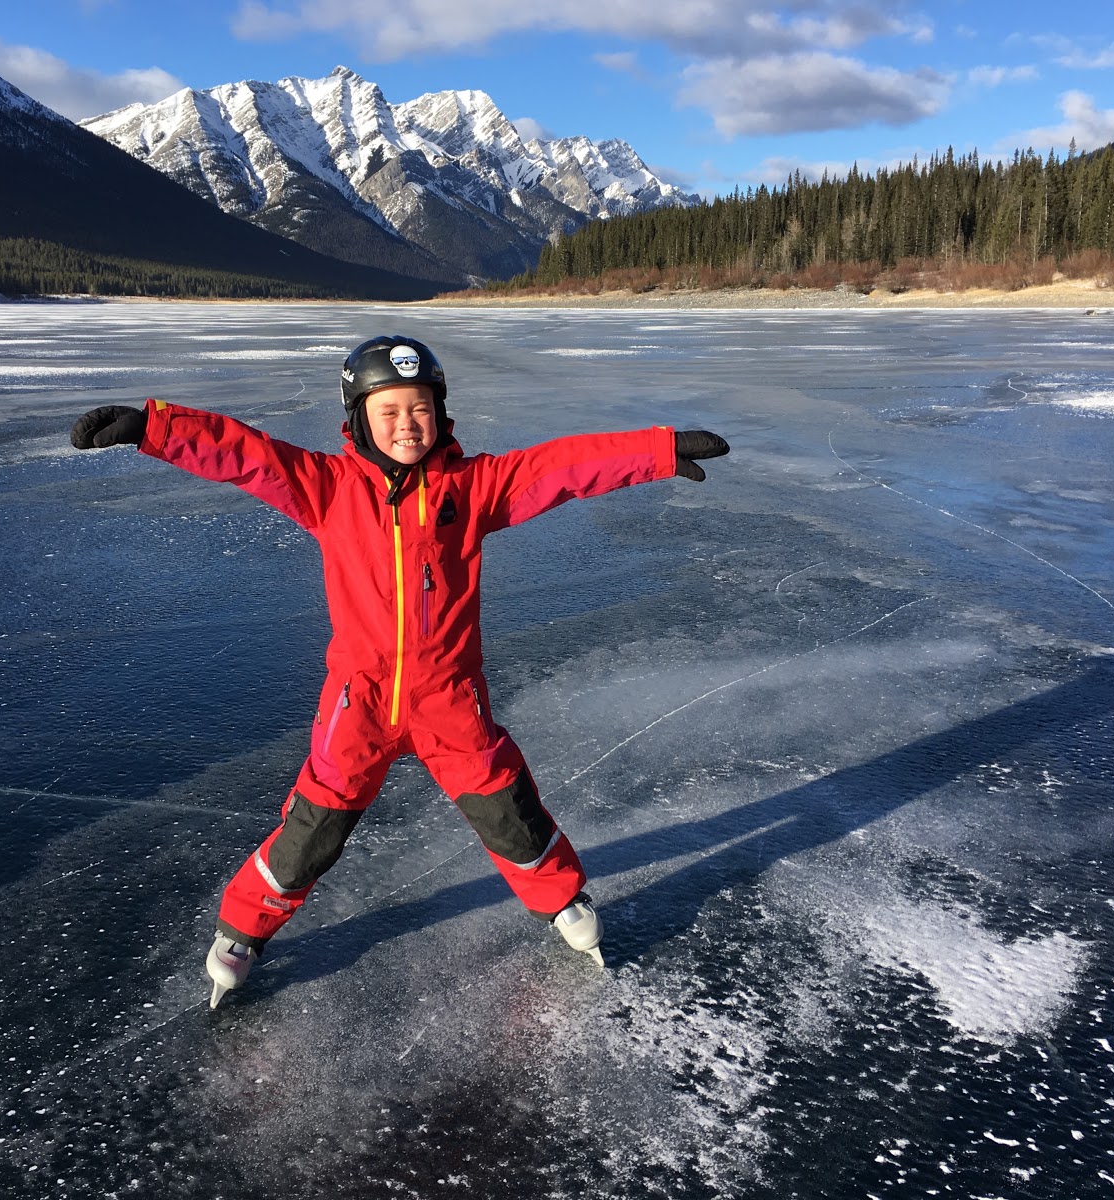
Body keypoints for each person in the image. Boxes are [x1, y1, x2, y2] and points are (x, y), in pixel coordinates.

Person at [70, 335, 729, 1006]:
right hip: (359, 701)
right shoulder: (328, 488)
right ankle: (243, 929)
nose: (407, 424)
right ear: (359, 418)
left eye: (420, 409)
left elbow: (557, 468)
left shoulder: (470, 488)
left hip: (450, 699)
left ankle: (561, 900)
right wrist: (154, 428)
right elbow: (247, 455)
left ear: (440, 413)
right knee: (315, 826)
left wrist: (655, 451)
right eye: (389, 411)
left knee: (507, 807)